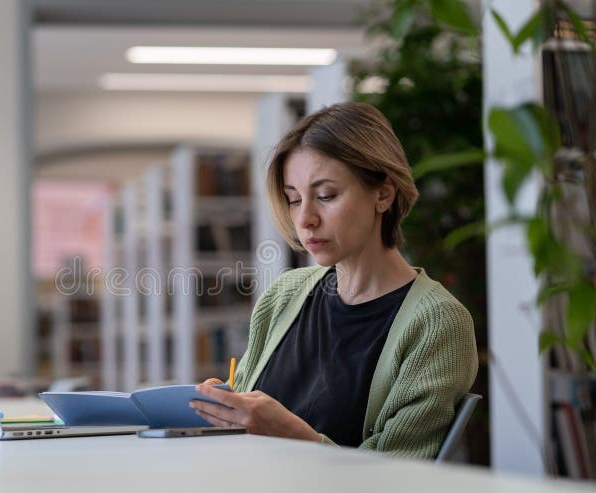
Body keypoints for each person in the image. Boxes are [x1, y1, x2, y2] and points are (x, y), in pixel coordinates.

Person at [190, 102, 478, 459]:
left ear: (383, 194)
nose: (306, 218)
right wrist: (223, 408)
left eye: (326, 196)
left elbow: (400, 479)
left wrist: (295, 436)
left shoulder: (437, 324)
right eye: (294, 199)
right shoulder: (285, 294)